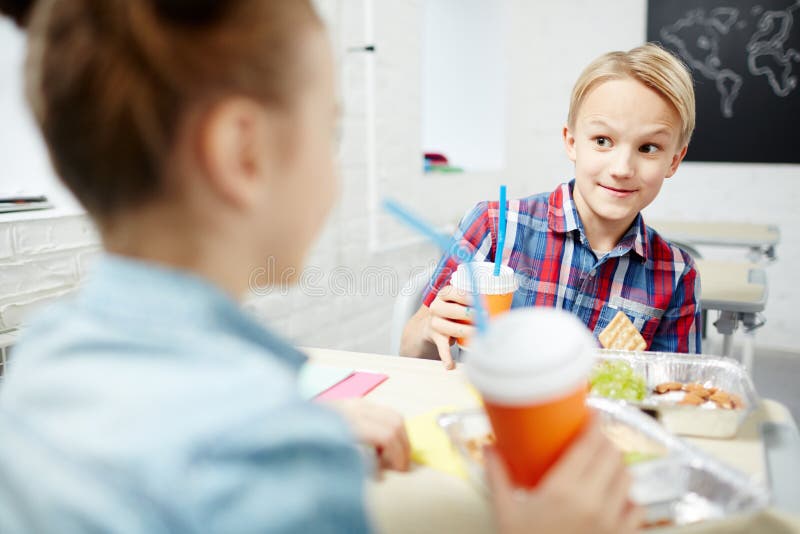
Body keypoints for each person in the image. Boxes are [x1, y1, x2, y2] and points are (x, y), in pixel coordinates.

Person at [0, 1, 639, 533]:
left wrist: (297, 415)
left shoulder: (39, 362)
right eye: (330, 132)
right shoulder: (278, 459)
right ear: (243, 153)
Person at [401, 43, 702, 369]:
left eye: (648, 147)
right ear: (572, 142)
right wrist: (430, 330)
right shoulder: (493, 225)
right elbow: (412, 351)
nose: (622, 168)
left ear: (674, 160)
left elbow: (674, 391)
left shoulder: (676, 275)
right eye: (602, 141)